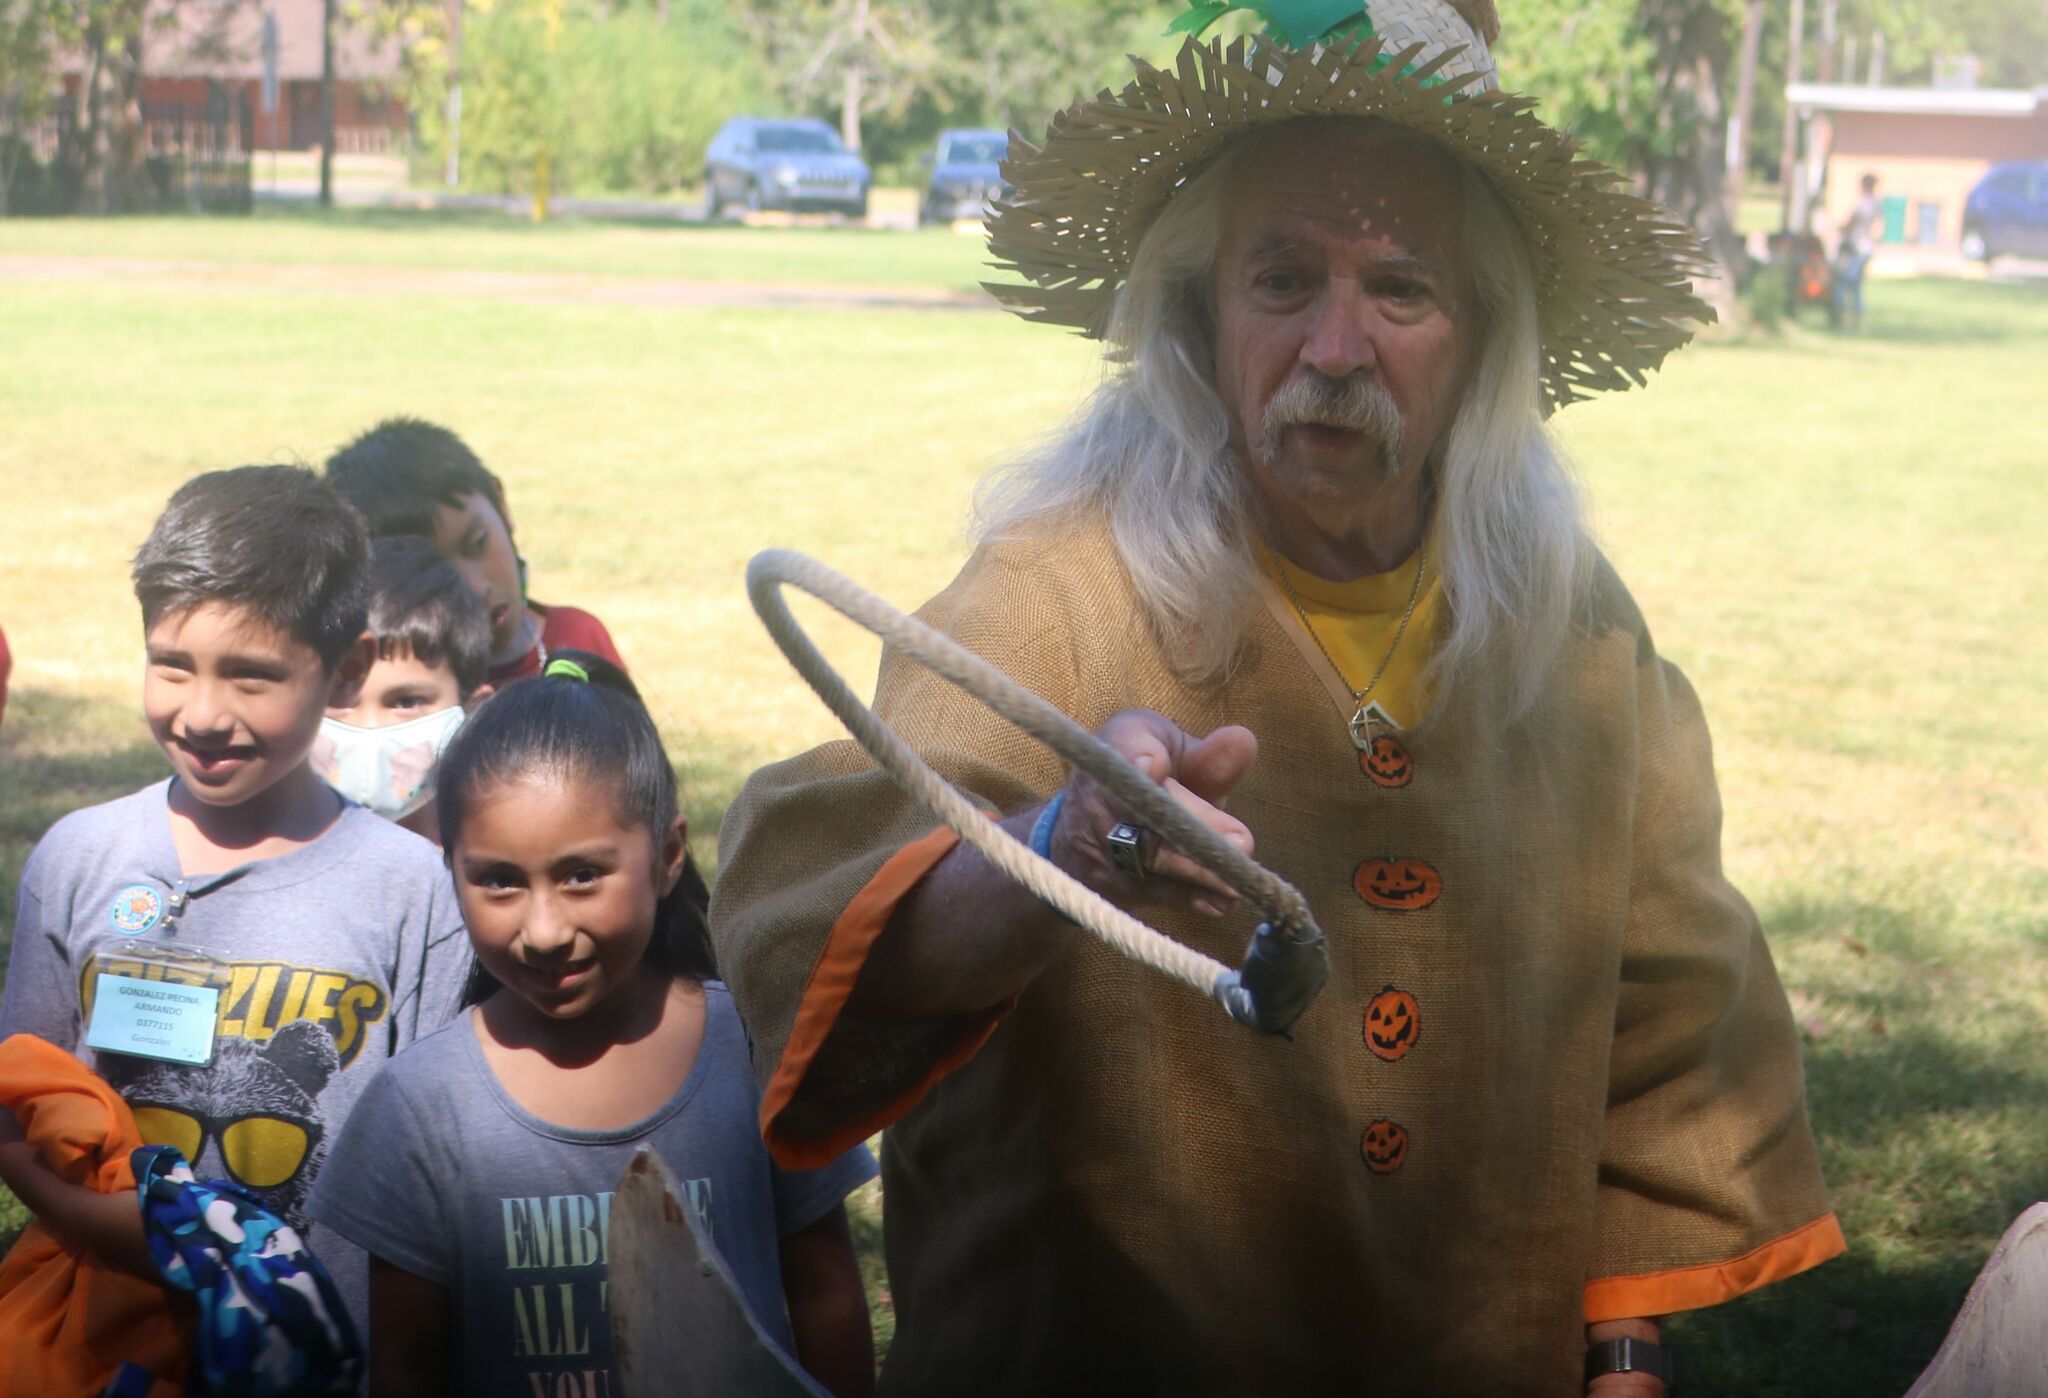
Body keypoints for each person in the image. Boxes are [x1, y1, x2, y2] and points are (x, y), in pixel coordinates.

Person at [709, 1, 1844, 1392]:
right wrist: (1068, 842)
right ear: (1198, 312)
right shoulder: (1056, 593)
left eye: (1402, 290)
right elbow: (823, 907)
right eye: (1283, 279)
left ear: (1487, 335)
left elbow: (1670, 1032)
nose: (1334, 348)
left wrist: (1622, 1351)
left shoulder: (1575, 631)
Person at [308, 653, 878, 1398]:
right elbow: (407, 1365)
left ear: (668, 856)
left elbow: (825, 1293)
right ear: (451, 870)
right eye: (499, 881)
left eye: (582, 875)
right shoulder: (420, 1107)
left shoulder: (753, 1049)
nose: (544, 931)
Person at [0, 465, 471, 1336]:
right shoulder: (79, 858)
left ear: (345, 671)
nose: (205, 714)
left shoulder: (414, 892)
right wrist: (125, 1236)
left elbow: (435, 1163)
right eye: (172, 666)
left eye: (252, 677)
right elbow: (15, 1113)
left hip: (320, 1353)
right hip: (102, 1342)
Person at [325, 417, 627, 685]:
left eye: (478, 543)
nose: (475, 587)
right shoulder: (390, 688)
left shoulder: (578, 636)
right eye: (434, 572)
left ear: (501, 503)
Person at [314, 536, 496, 846]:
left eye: (406, 702)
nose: (369, 731)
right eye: (340, 699)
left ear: (474, 713)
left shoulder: (492, 863)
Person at [1833, 172, 1883, 330]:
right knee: (1856, 286)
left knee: (1843, 283)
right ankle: (1856, 320)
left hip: (1855, 248)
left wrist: (1838, 227)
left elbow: (1849, 223)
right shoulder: (1876, 203)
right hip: (1867, 247)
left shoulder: (1862, 204)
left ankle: (1842, 319)